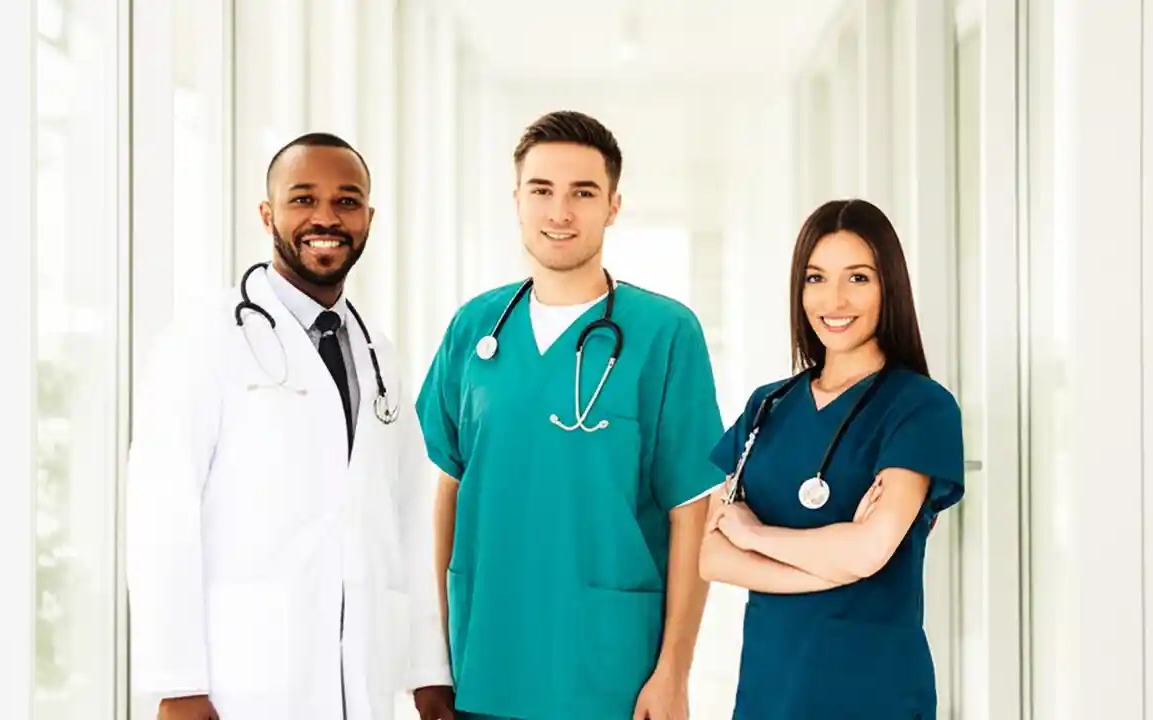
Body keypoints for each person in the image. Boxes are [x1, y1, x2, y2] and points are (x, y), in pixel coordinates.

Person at [126, 133, 454, 720]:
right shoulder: (204, 340)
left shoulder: (377, 353)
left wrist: (428, 670)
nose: (325, 218)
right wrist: (176, 683)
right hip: (244, 678)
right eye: (303, 199)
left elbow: (406, 517)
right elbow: (161, 516)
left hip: (361, 678)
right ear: (267, 213)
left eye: (346, 201)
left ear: (369, 218)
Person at [417, 111, 722, 720]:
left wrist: (674, 671)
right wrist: (435, 660)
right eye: (542, 190)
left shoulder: (665, 333)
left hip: (608, 670)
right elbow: (449, 490)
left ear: (612, 206)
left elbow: (691, 511)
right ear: (517, 200)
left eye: (582, 193)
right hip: (487, 663)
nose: (560, 212)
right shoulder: (474, 329)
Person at [699, 199, 964, 719]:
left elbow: (868, 550)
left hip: (872, 692)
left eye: (858, 278)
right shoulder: (767, 406)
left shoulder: (919, 407)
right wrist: (832, 566)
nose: (834, 299)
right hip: (770, 692)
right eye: (816, 278)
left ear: (889, 286)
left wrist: (754, 536)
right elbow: (711, 556)